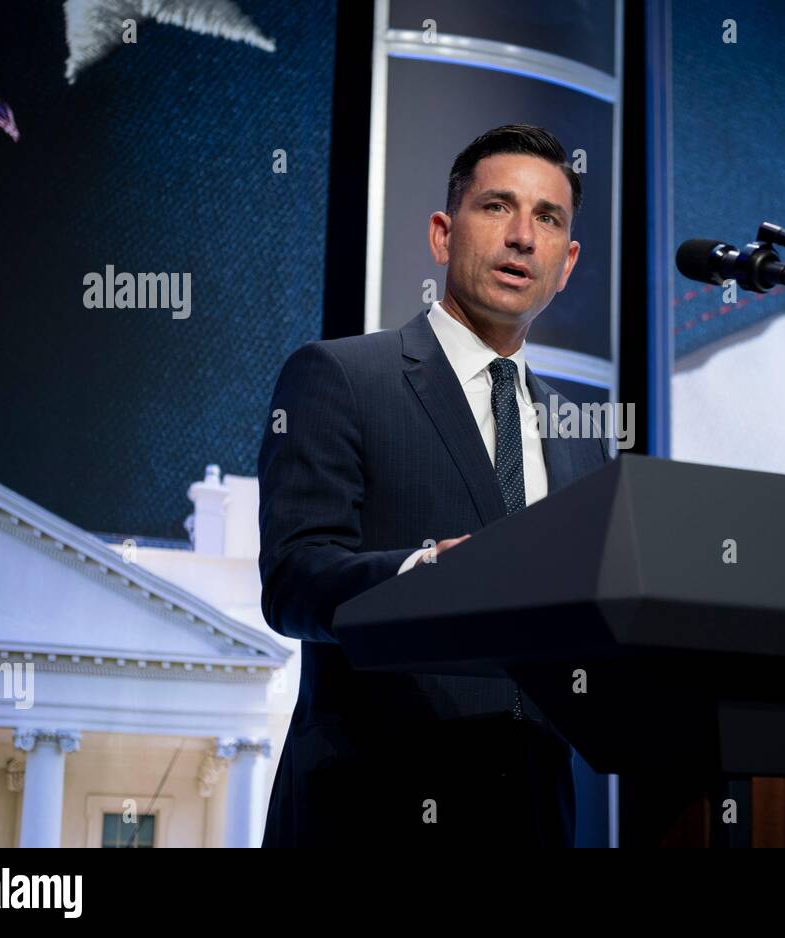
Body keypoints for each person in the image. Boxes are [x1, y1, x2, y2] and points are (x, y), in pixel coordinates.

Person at [257, 124, 609, 847]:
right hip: (373, 809)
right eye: (496, 208)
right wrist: (425, 573)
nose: (521, 236)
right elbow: (294, 580)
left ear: (567, 263)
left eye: (548, 219)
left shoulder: (583, 436)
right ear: (443, 235)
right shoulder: (340, 377)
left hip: (534, 820)